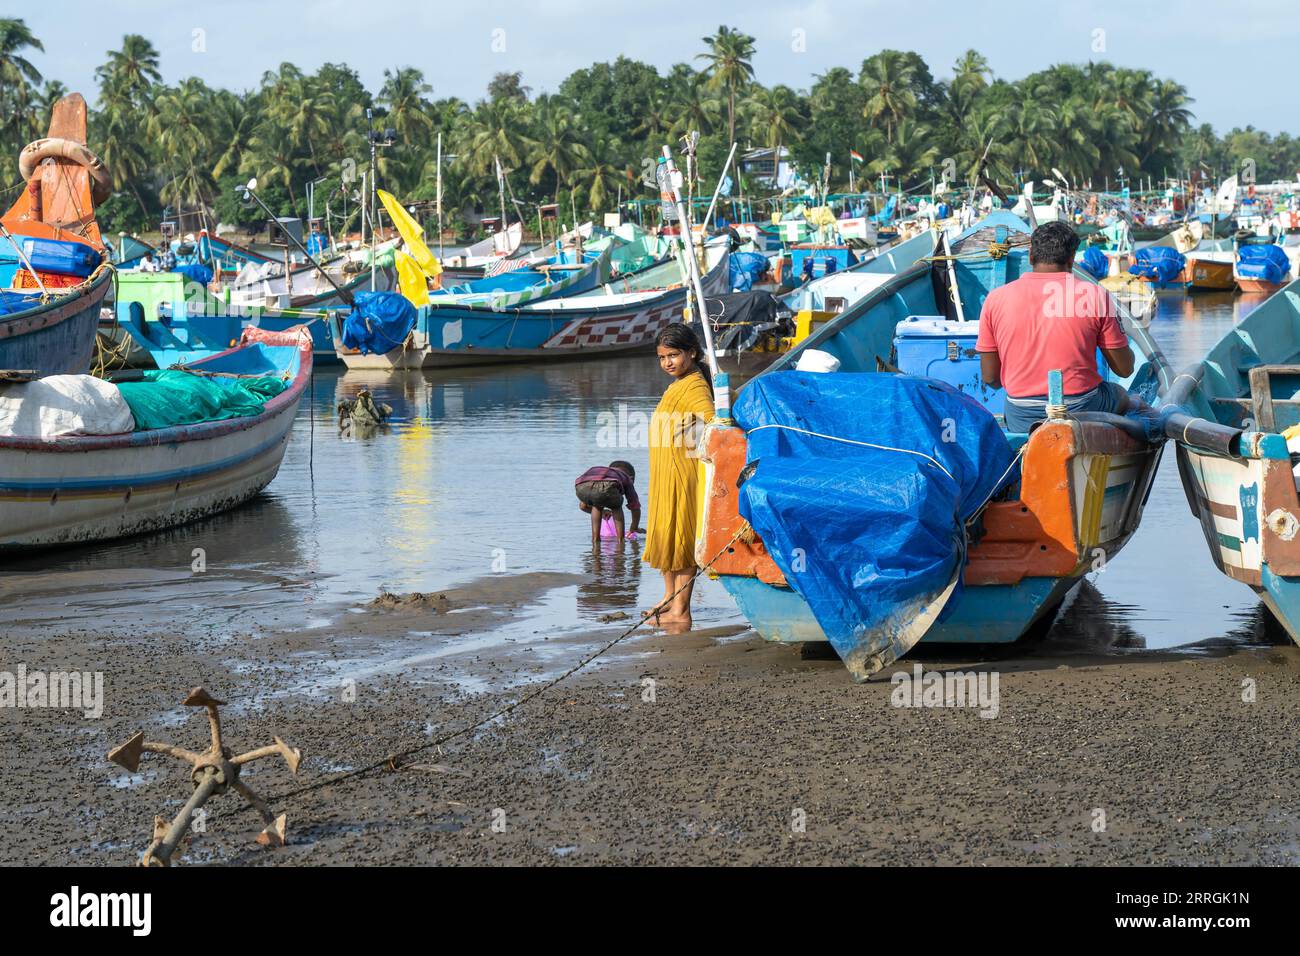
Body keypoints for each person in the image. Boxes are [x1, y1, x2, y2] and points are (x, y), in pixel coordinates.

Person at [976, 220, 1136, 433]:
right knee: (1121, 395)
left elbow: (990, 378)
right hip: (1082, 410)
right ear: (1071, 259)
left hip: (1021, 414)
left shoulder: (995, 299)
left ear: (1031, 256)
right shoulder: (1095, 295)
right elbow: (1124, 369)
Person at [644, 323, 715, 628]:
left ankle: (681, 611)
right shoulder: (679, 383)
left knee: (682, 541)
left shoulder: (695, 385)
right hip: (666, 475)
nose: (667, 362)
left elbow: (715, 421)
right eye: (662, 357)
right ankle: (670, 598)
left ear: (692, 353)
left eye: (673, 355)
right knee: (668, 537)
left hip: (683, 475)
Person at [575, 460, 641, 552]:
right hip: (602, 486)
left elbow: (583, 506)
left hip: (580, 485)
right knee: (616, 506)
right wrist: (634, 526)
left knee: (597, 504)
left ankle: (595, 541)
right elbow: (635, 506)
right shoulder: (626, 478)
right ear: (632, 478)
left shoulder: (604, 474)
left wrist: (602, 513)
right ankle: (620, 542)